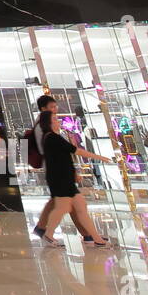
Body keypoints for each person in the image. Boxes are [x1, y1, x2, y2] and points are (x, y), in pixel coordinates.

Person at [37, 111, 114, 247]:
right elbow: (76, 150)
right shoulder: (52, 138)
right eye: (55, 119)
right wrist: (100, 157)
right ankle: (48, 234)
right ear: (49, 123)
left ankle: (96, 238)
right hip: (59, 179)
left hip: (64, 178)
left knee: (80, 207)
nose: (58, 121)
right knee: (63, 207)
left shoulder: (53, 137)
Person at [28, 96, 95, 241]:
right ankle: (88, 234)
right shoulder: (43, 127)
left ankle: (41, 228)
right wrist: (71, 170)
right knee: (67, 199)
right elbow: (53, 150)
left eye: (55, 106)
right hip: (57, 169)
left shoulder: (44, 125)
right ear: (43, 109)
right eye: (52, 107)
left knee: (61, 200)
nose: (55, 109)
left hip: (57, 168)